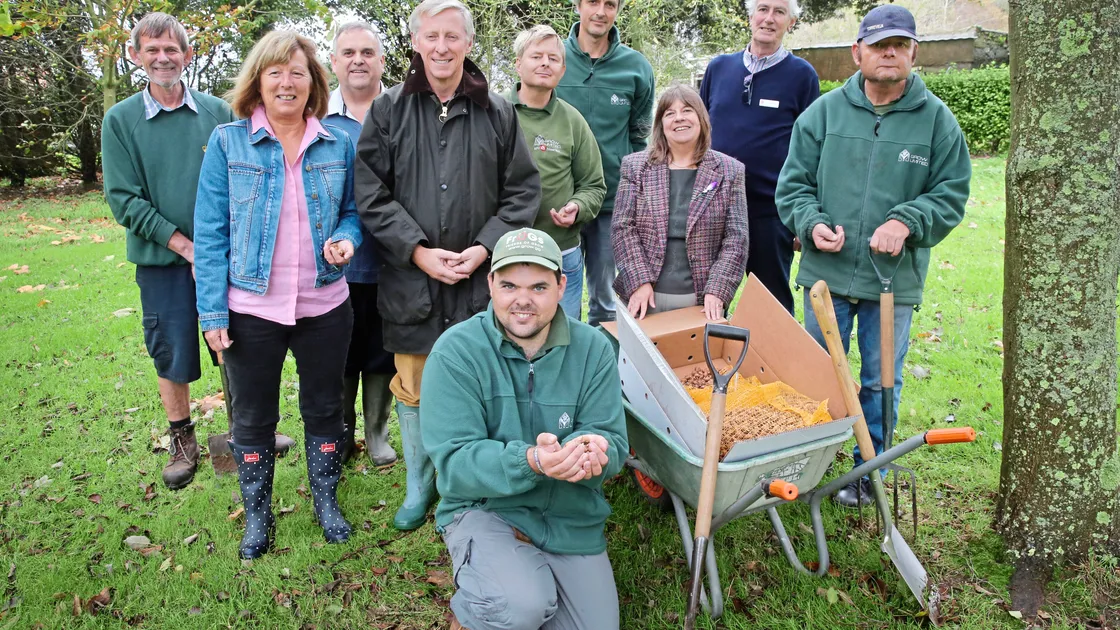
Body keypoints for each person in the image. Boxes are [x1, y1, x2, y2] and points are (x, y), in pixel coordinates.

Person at [355, 0, 540, 531]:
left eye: (452, 37)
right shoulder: (388, 111)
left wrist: (485, 248)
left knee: (485, 382)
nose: (441, 47)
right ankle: (420, 484)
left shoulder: (499, 112)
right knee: (413, 383)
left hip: (480, 283)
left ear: (468, 44)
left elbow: (523, 191)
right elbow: (371, 193)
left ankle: (472, 487)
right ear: (415, 43)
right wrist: (416, 250)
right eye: (431, 36)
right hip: (411, 281)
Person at [776, 4, 971, 507]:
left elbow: (950, 195)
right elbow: (792, 186)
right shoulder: (822, 114)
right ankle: (810, 461)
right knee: (818, 374)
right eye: (880, 45)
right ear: (856, 51)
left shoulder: (937, 123)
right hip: (826, 278)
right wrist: (812, 223)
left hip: (893, 282)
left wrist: (906, 221)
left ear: (913, 53)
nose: (890, 53)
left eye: (900, 45)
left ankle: (871, 469)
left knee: (880, 380)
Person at [101, 12, 294, 492]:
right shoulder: (121, 120)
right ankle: (182, 439)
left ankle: (246, 432)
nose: (163, 58)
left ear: (188, 56)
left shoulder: (217, 112)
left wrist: (219, 247)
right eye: (152, 50)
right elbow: (124, 199)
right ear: (136, 56)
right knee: (173, 349)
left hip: (229, 257)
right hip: (164, 262)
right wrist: (186, 246)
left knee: (238, 343)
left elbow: (246, 172)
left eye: (172, 50)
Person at [194, 30, 363, 558]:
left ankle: (327, 501)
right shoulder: (228, 142)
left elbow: (356, 214)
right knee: (251, 418)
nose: (287, 82)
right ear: (258, 82)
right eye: (275, 72)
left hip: (324, 306)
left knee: (325, 407)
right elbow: (210, 231)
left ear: (314, 82)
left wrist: (345, 239)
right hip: (251, 310)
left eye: (297, 72)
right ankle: (258, 516)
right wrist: (213, 310)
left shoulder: (339, 143)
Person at [421, 227, 628, 630]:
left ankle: (515, 580)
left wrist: (591, 453)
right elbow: (454, 462)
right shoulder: (456, 351)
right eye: (510, 285)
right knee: (520, 608)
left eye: (538, 286)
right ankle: (478, 608)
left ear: (561, 285)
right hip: (487, 509)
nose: (523, 300)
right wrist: (531, 460)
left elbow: (614, 441)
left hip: (570, 518)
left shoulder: (595, 349)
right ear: (491, 284)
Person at [699, 0, 819, 314]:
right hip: (713, 206)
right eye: (762, 9)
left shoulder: (802, 76)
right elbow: (698, 134)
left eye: (779, 12)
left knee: (770, 304)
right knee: (705, 297)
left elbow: (812, 152)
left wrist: (801, 218)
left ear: (791, 22)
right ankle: (704, 360)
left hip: (770, 211)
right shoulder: (719, 68)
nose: (769, 18)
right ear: (750, 16)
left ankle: (769, 363)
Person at [555, 0, 655, 326]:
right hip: (558, 205)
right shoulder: (553, 59)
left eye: (610, 4)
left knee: (608, 300)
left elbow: (639, 139)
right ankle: (562, 369)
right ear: (578, 6)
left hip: (612, 204)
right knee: (558, 300)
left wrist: (635, 195)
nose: (600, 11)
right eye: (593, 2)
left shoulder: (636, 68)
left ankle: (607, 370)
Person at [611, 84, 748, 321]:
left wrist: (717, 290)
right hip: (645, 295)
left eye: (687, 110)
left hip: (702, 299)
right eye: (669, 113)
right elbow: (622, 227)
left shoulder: (730, 171)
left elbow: (737, 238)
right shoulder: (635, 166)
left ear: (701, 118)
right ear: (661, 124)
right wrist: (639, 281)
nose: (679, 118)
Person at [325, 21, 396, 466]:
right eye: (348, 52)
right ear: (334, 62)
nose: (357, 60)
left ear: (381, 61)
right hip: (336, 262)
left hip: (393, 258)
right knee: (339, 350)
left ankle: (376, 431)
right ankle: (341, 431)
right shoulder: (318, 117)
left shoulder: (402, 109)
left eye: (367, 52)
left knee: (382, 349)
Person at [505, 25, 606, 320]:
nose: (545, 63)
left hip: (561, 255)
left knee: (561, 340)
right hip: (506, 253)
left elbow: (594, 185)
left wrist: (578, 207)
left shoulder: (573, 121)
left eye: (553, 58)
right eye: (536, 56)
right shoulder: (494, 113)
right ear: (518, 64)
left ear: (562, 70)